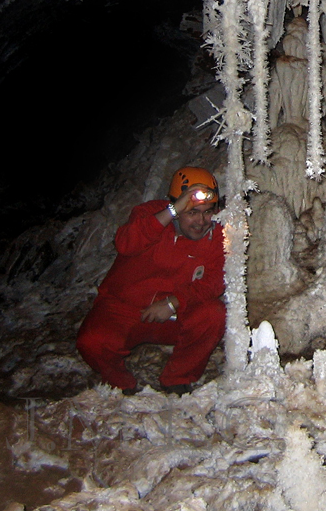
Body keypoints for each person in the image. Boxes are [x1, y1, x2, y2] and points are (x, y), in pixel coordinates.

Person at [77, 167, 226, 395]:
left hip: (173, 314)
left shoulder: (218, 237)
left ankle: (177, 378)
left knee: (213, 314)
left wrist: (173, 302)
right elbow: (126, 244)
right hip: (124, 310)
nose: (201, 221)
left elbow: (214, 282)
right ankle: (121, 385)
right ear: (175, 208)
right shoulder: (148, 215)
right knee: (92, 342)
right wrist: (171, 212)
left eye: (207, 213)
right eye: (192, 212)